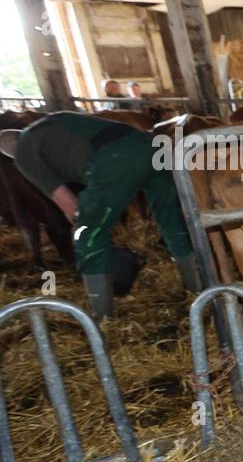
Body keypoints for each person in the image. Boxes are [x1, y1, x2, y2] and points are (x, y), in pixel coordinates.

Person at [0, 112, 201, 318]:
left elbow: (69, 204)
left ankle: (102, 317)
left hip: (113, 161)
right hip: (151, 146)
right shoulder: (56, 119)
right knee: (171, 220)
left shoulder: (23, 155)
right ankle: (197, 291)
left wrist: (84, 220)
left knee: (88, 235)